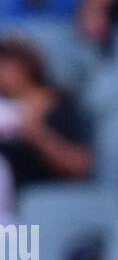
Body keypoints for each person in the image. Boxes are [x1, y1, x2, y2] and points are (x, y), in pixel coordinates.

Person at [0, 38, 92, 194]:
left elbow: (80, 166)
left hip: (51, 198)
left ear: (26, 67)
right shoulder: (4, 108)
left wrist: (35, 132)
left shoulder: (60, 106)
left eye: (5, 66)